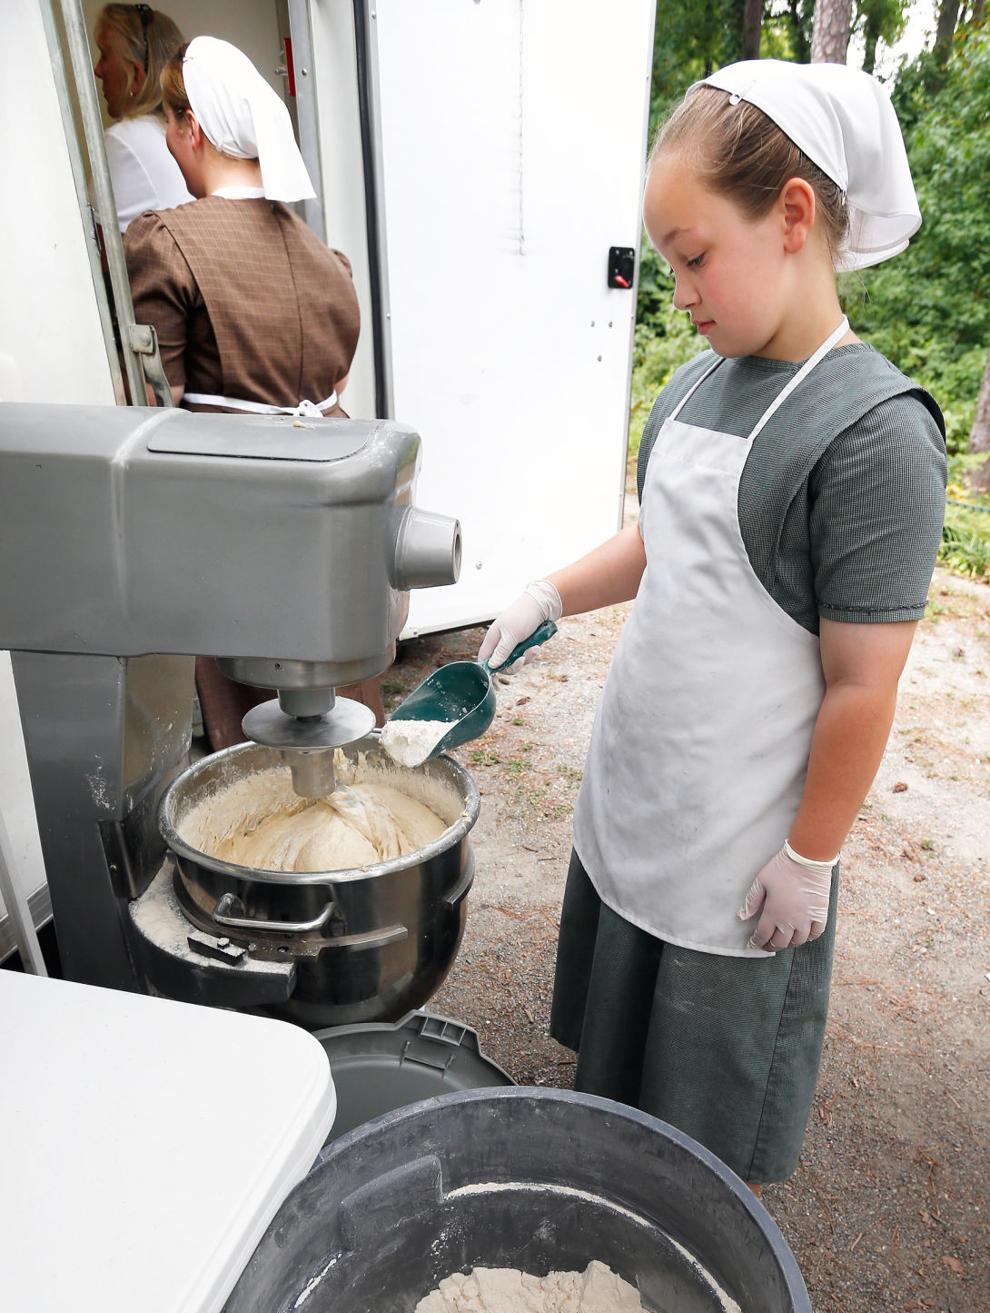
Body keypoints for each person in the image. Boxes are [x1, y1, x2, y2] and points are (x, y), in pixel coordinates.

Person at [480, 61, 946, 1193]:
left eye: (693, 258)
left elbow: (862, 684)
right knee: (620, 1052)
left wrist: (810, 857)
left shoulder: (877, 436)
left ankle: (683, 1243)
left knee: (698, 1119)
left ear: (792, 216)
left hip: (742, 846)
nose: (675, 289)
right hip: (647, 791)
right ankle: (609, 1180)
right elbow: (669, 545)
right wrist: (549, 590)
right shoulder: (699, 382)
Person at [124, 36, 374, 751]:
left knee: (254, 743)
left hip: (230, 530)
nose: (169, 143)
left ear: (191, 127)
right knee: (333, 719)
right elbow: (331, 389)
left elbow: (154, 414)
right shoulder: (329, 263)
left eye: (169, 127)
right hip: (326, 521)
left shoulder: (165, 243)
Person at [94, 4, 192, 230]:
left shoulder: (124, 142)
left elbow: (98, 257)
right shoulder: (184, 133)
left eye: (104, 55)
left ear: (136, 76)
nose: (97, 70)